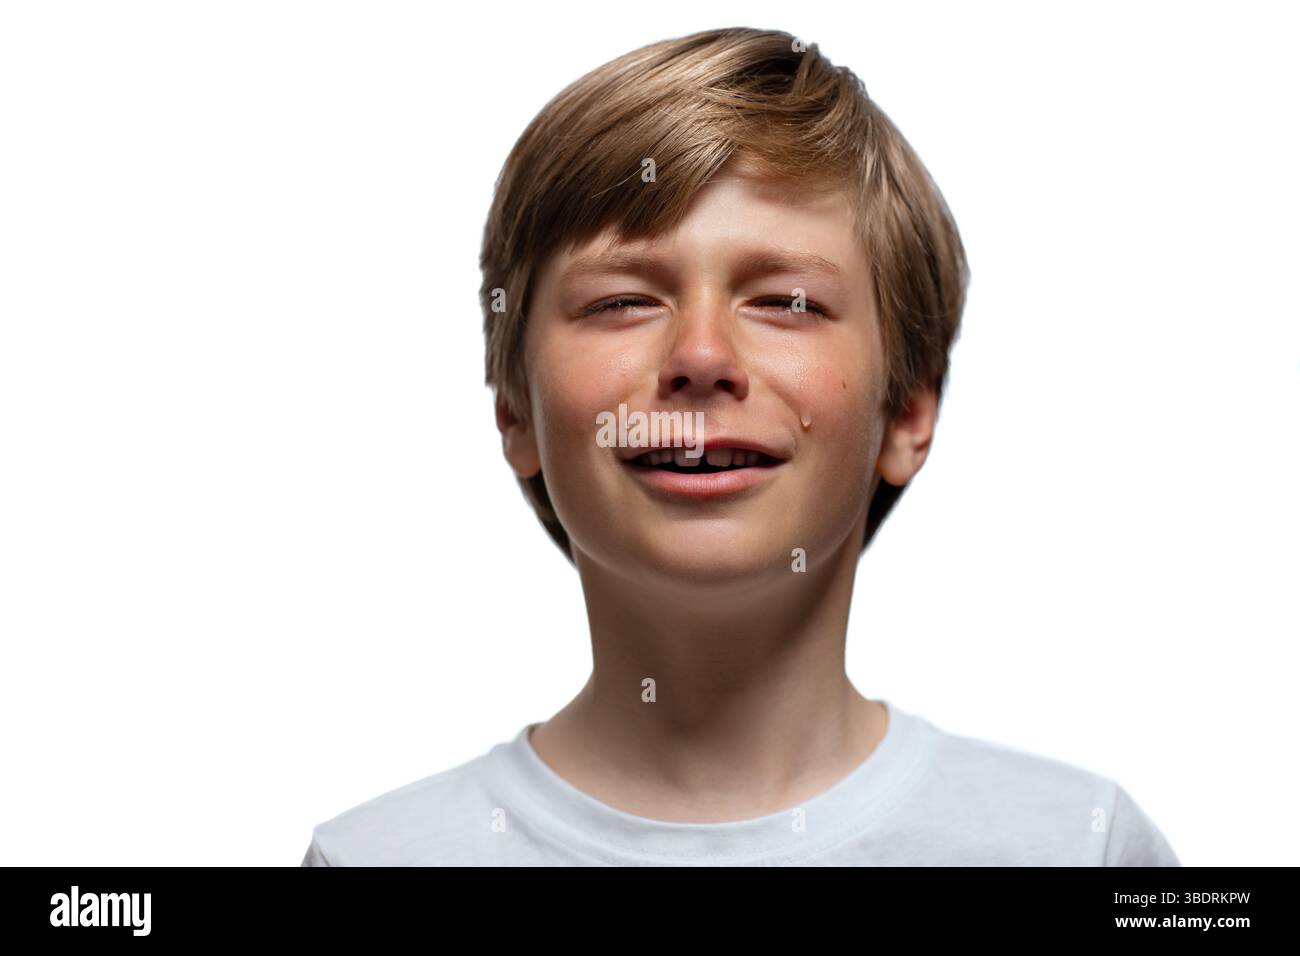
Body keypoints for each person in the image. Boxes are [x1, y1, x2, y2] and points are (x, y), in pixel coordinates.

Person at [301, 26, 1179, 866]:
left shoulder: (1077, 849)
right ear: (516, 413)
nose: (702, 358)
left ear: (908, 413)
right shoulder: (374, 859)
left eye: (787, 302)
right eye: (620, 301)